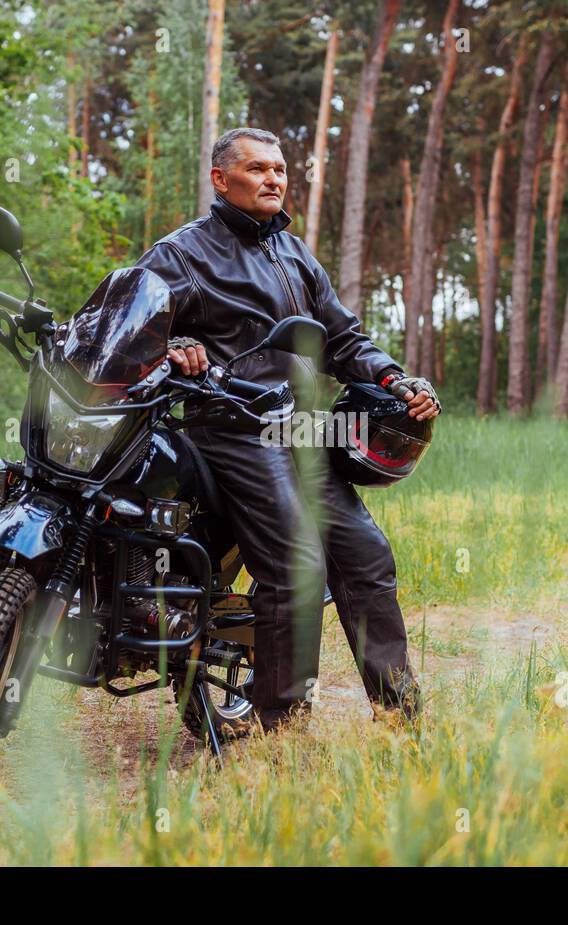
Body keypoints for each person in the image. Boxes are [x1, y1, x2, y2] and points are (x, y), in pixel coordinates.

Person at [134, 127, 440, 732]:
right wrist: (176, 344)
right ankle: (283, 726)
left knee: (366, 557)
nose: (273, 179)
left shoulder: (294, 254)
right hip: (228, 429)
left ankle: (401, 715)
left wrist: (395, 379)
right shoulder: (181, 253)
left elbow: (345, 340)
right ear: (221, 180)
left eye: (279, 169)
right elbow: (129, 327)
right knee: (297, 565)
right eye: (257, 169)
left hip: (300, 432)